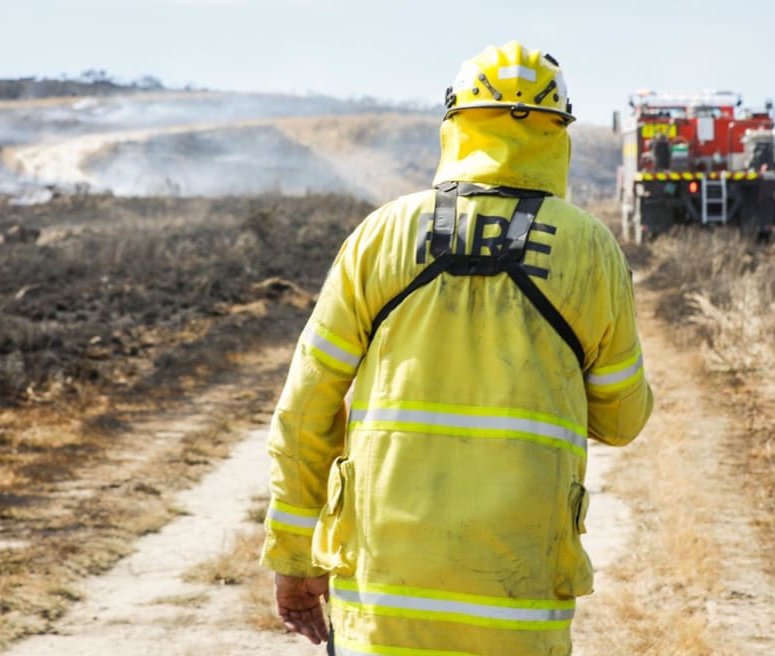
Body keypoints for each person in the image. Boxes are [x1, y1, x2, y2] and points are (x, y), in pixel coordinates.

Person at [260, 41, 654, 656]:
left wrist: (293, 556)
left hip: (381, 610)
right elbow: (622, 422)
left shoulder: (380, 236)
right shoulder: (592, 250)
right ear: (558, 132)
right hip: (518, 612)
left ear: (455, 124)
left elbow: (305, 408)